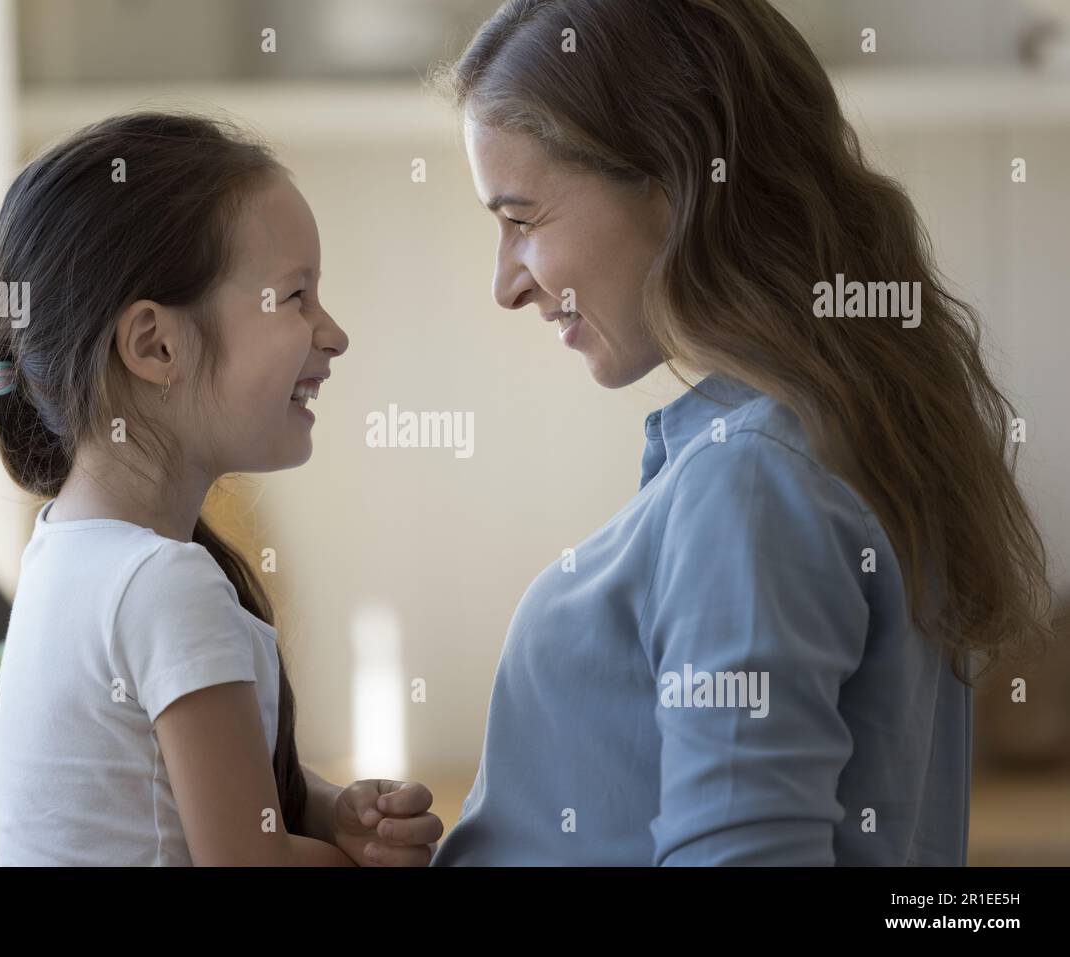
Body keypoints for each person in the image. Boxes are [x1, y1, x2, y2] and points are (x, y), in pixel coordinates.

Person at [428, 0, 1054, 865]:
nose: (507, 283)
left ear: (670, 178)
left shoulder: (752, 478)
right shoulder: (830, 442)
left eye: (522, 218)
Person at [0, 112, 442, 866]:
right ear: (157, 345)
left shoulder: (66, 554)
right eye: (295, 297)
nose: (333, 333)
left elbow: (160, 791)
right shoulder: (166, 586)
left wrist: (329, 812)